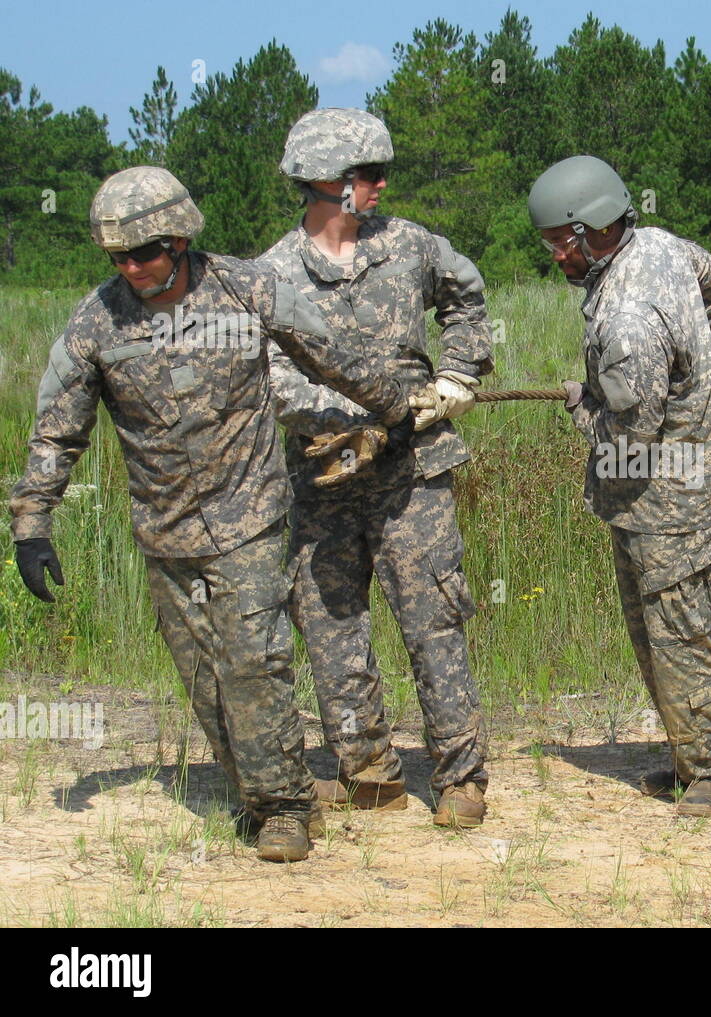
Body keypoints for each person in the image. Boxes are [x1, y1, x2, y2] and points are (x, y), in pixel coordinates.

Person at [9, 166, 411, 860]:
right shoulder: (96, 321)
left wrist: (397, 406)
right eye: (119, 257)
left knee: (254, 663)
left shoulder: (246, 288)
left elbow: (330, 352)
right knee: (206, 680)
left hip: (247, 516)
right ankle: (263, 788)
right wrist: (32, 522)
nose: (133, 267)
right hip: (164, 529)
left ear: (180, 238)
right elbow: (56, 428)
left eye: (146, 253)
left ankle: (284, 810)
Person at [260, 108, 494, 827]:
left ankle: (460, 775)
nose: (381, 183)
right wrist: (339, 416)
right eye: (367, 173)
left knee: (433, 617)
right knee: (330, 623)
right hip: (323, 477)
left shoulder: (411, 245)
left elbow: (467, 297)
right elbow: (269, 369)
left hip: (412, 472)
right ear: (326, 183)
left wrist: (457, 373)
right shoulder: (271, 272)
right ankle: (368, 771)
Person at [528, 155, 711, 815]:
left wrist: (581, 407)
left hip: (669, 498)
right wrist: (705, 370)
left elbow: (629, 436)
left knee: (677, 634)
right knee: (657, 630)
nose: (555, 259)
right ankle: (689, 756)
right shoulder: (659, 244)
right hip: (676, 482)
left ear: (585, 229)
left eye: (556, 245)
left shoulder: (626, 318)